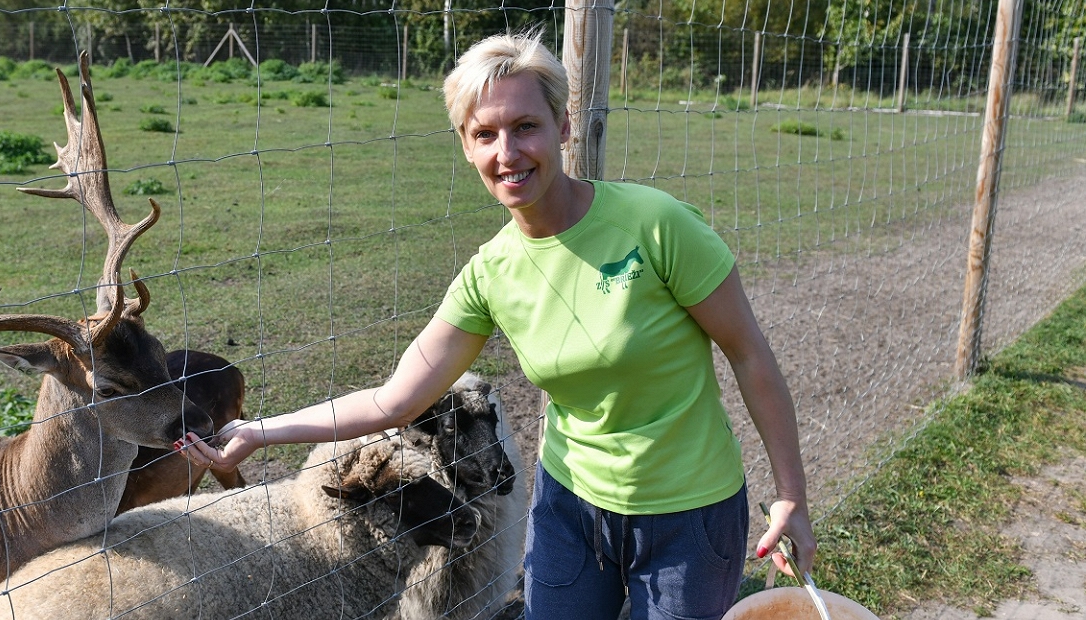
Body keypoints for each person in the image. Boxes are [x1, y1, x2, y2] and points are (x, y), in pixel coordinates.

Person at [176, 30, 815, 619]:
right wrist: (259, 432)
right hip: (572, 506)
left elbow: (749, 354)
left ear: (563, 126)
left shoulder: (655, 225)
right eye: (485, 134)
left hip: (689, 513)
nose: (507, 153)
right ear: (465, 144)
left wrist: (790, 495)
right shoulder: (491, 273)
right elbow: (396, 399)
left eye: (526, 126)